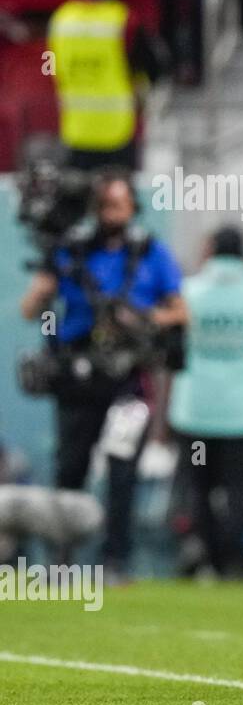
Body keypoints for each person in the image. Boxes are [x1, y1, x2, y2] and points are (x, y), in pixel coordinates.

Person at [20, 167, 186, 577]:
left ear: (132, 206)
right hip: (77, 373)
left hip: (128, 375)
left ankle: (117, 560)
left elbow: (180, 312)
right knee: (70, 468)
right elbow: (30, 309)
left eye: (119, 203)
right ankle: (61, 561)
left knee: (123, 470)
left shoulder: (151, 252)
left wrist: (143, 320)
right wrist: (43, 291)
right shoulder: (69, 250)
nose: (112, 212)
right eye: (105, 204)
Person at [168, 228, 243, 576]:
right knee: (240, 489)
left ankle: (208, 557)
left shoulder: (188, 291)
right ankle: (233, 560)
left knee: (199, 486)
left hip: (196, 406)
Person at [47, 0, 159, 171]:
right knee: (119, 201)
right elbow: (153, 67)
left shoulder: (62, 18)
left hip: (76, 132)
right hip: (120, 132)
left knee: (81, 200)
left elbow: (50, 66)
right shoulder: (124, 19)